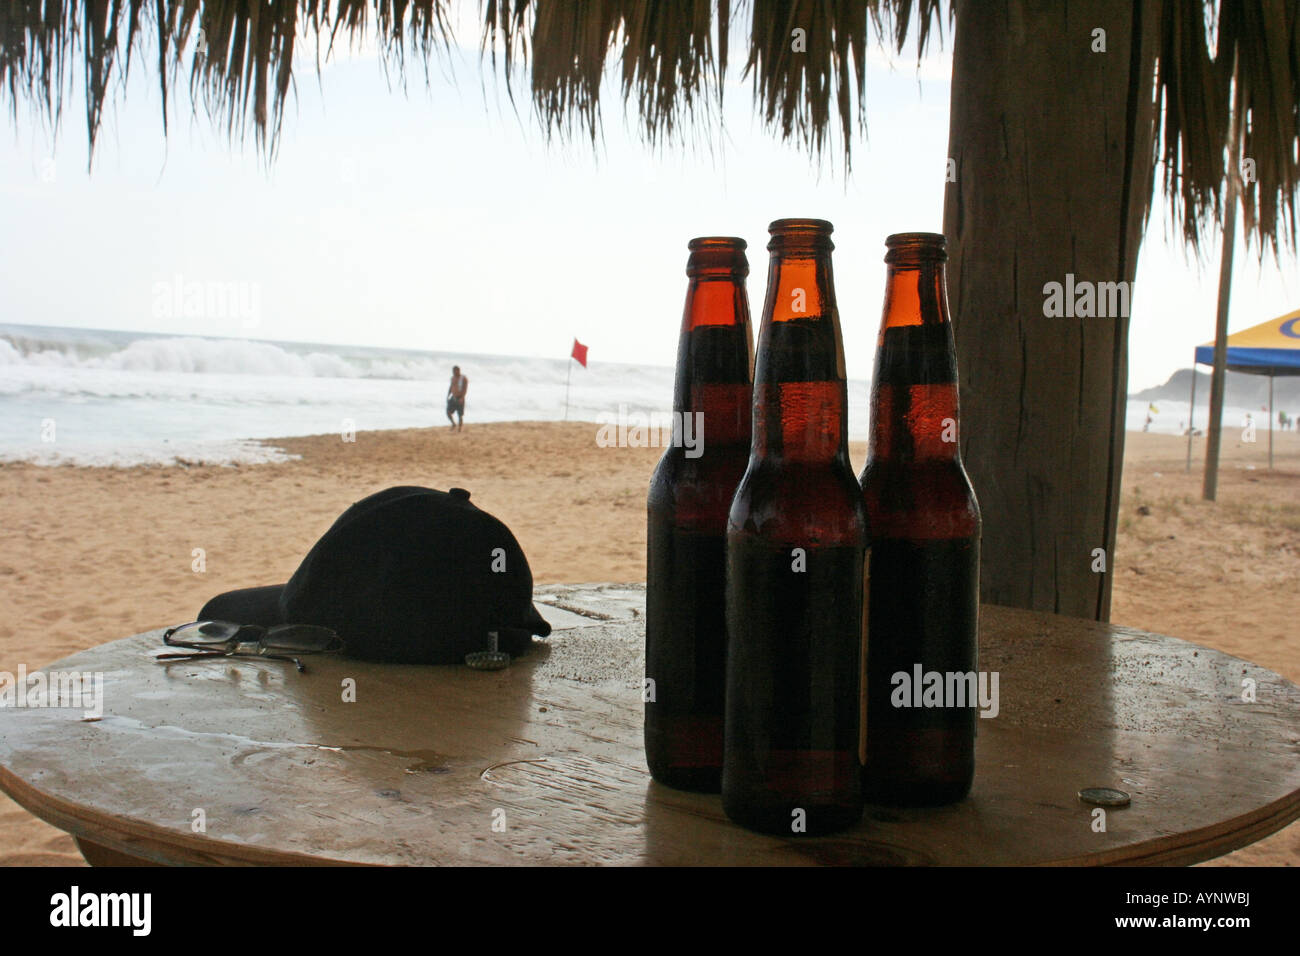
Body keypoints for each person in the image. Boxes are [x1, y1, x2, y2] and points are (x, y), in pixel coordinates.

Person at [446, 366, 468, 431]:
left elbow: (465, 389)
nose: (453, 372)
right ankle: (453, 424)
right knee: (448, 412)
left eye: (455, 371)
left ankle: (460, 428)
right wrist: (448, 395)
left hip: (460, 397)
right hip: (453, 397)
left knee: (460, 415)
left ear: (458, 370)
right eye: (453, 371)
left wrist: (462, 397)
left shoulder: (463, 378)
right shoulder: (452, 378)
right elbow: (451, 387)